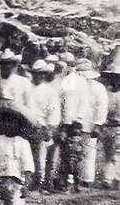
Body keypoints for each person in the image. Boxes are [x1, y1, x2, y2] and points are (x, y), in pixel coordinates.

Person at [56, 54, 92, 192]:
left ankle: (70, 182)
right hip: (71, 121)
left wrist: (73, 121)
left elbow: (78, 103)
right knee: (70, 154)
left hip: (72, 122)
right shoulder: (65, 81)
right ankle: (68, 181)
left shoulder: (71, 81)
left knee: (71, 153)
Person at [27, 59, 61, 191]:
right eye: (36, 73)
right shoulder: (27, 88)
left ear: (45, 75)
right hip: (25, 124)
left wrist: (50, 128)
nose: (38, 76)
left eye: (41, 73)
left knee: (40, 157)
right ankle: (28, 181)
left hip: (41, 125)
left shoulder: (49, 91)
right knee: (26, 154)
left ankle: (39, 182)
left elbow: (53, 111)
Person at [79, 59, 108, 188]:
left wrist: (97, 124)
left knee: (88, 152)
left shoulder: (98, 87)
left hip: (89, 124)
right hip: (74, 124)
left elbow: (102, 107)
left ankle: (87, 178)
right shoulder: (72, 86)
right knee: (72, 152)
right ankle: (71, 177)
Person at [98, 49, 120, 188]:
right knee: (108, 154)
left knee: (115, 154)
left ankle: (113, 178)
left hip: (117, 126)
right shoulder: (105, 93)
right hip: (107, 126)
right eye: (113, 77)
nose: (114, 80)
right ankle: (109, 178)